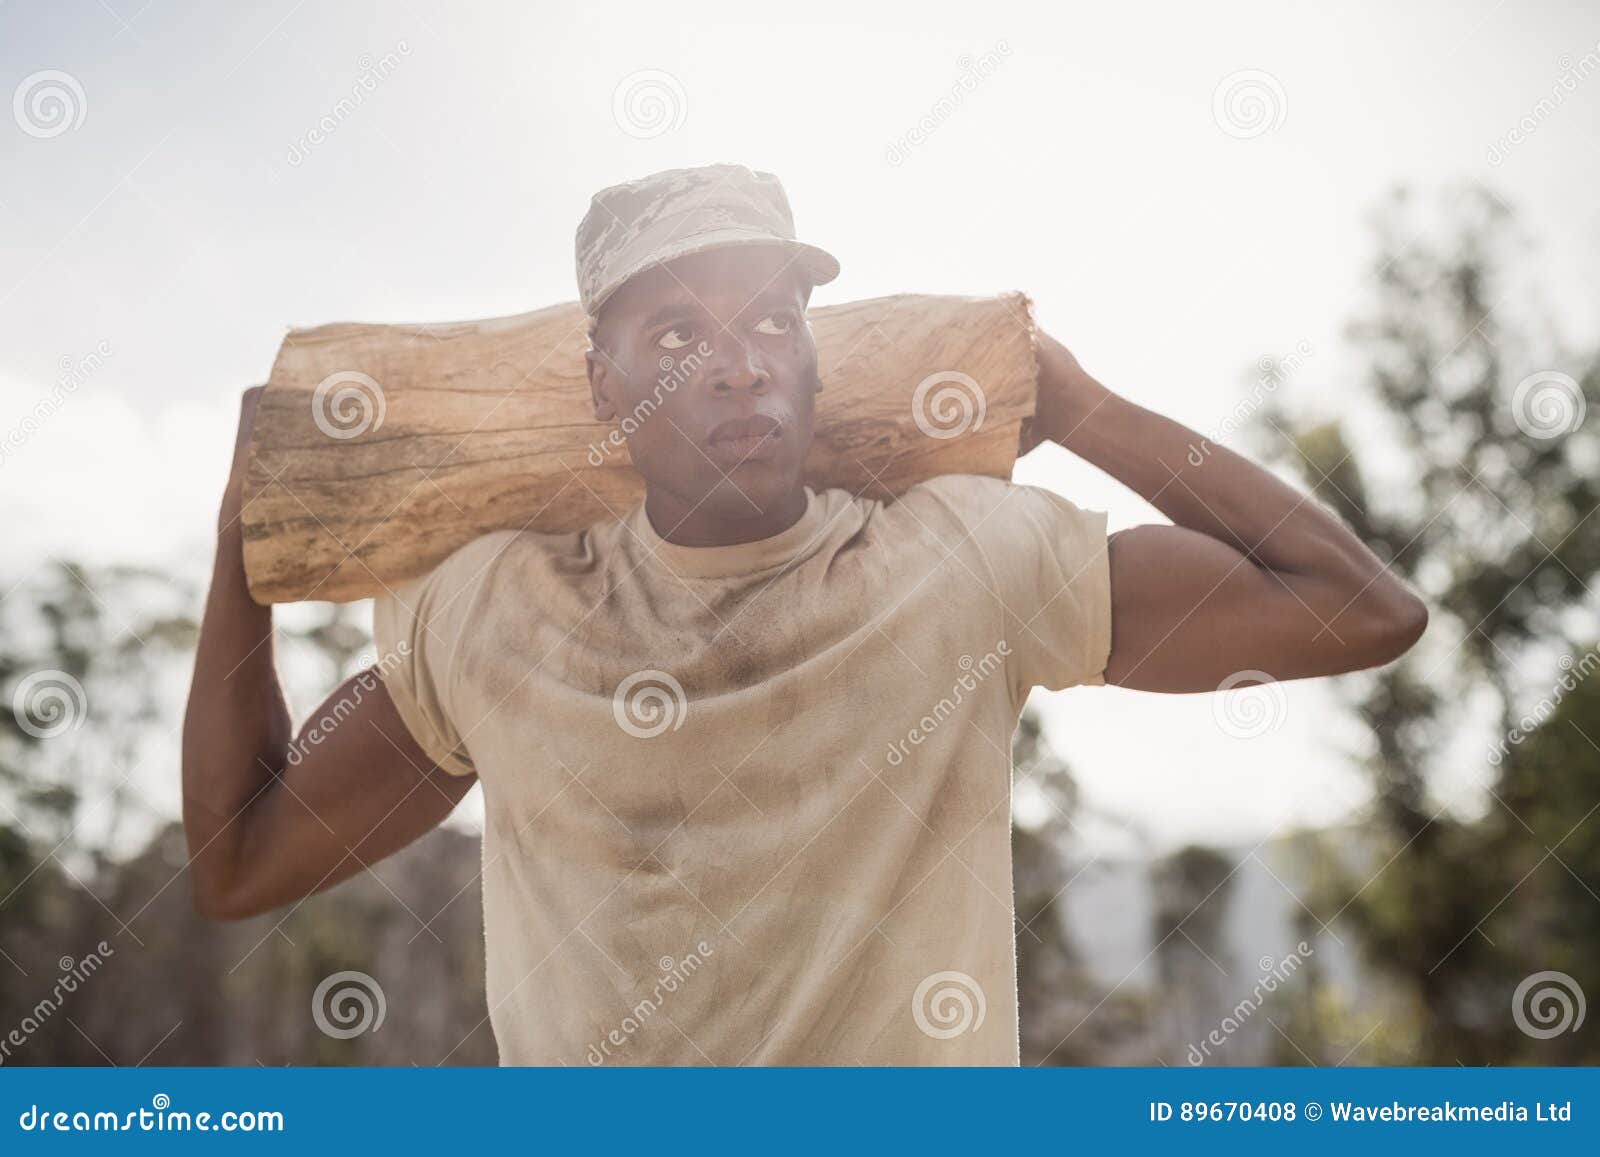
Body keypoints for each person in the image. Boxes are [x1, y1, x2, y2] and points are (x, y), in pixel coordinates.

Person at [182, 163, 1427, 1065]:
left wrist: (1088, 409)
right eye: (677, 331)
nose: (740, 363)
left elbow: (1354, 610)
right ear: (596, 381)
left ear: (816, 360)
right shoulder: (497, 607)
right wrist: (249, 527)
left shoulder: (963, 560)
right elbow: (240, 859)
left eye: (774, 321)